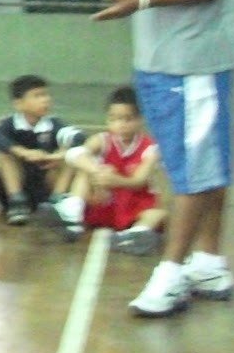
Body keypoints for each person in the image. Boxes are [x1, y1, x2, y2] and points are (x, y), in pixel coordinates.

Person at [94, 0, 234, 316]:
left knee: (191, 173)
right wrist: (138, 2)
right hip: (162, 61)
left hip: (191, 62)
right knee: (204, 164)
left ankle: (171, 273)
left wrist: (144, 0)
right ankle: (210, 262)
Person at [62, 86, 169, 255]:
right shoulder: (102, 140)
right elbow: (74, 154)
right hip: (105, 201)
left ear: (140, 119)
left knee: (159, 214)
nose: (121, 125)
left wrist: (115, 180)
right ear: (108, 119)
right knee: (84, 170)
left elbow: (139, 181)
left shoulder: (149, 147)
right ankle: (72, 214)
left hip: (134, 203)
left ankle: (134, 234)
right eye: (115, 119)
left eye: (127, 119)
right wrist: (98, 171)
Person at [0, 74, 85, 230]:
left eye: (46, 95)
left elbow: (77, 137)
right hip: (15, 185)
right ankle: (17, 201)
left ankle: (56, 201)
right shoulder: (9, 124)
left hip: (43, 185)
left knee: (70, 156)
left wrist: (57, 155)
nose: (46, 100)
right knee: (4, 155)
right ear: (18, 104)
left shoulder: (53, 124)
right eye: (38, 96)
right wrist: (23, 152)